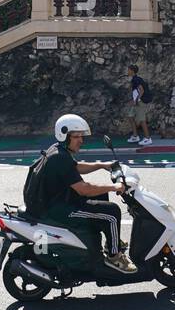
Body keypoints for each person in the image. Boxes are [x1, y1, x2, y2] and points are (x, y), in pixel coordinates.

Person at [32, 114, 136, 274]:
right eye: (77, 137)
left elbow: (76, 167)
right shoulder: (60, 157)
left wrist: (102, 165)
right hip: (60, 210)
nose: (81, 140)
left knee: (100, 197)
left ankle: (111, 241)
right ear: (65, 135)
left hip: (59, 200)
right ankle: (114, 256)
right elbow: (83, 189)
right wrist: (114, 187)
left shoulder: (58, 150)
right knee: (112, 213)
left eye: (81, 136)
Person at [126, 64, 153, 145]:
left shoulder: (136, 80)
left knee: (142, 120)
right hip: (136, 101)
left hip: (140, 102)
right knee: (130, 116)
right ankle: (135, 136)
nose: (127, 71)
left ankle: (148, 138)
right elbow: (136, 92)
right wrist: (133, 100)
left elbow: (141, 90)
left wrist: (137, 100)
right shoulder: (134, 79)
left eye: (128, 70)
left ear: (132, 71)